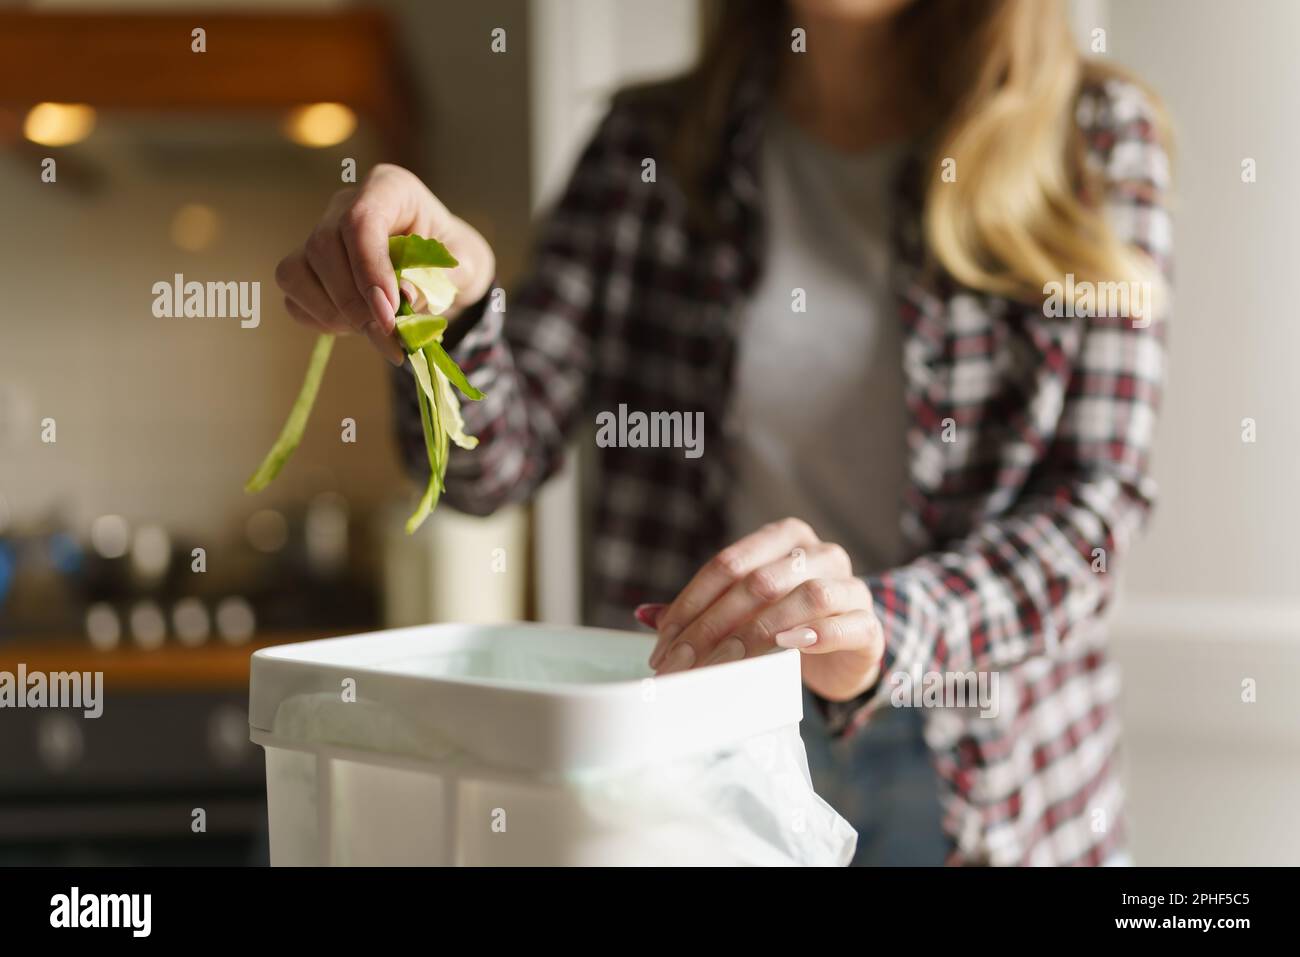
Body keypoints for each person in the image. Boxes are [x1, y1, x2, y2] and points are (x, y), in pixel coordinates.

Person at [273, 0, 1171, 866]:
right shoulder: (648, 147)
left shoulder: (1093, 139)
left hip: (989, 769)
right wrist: (451, 309)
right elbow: (488, 463)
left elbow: (1095, 508)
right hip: (694, 752)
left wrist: (880, 629)